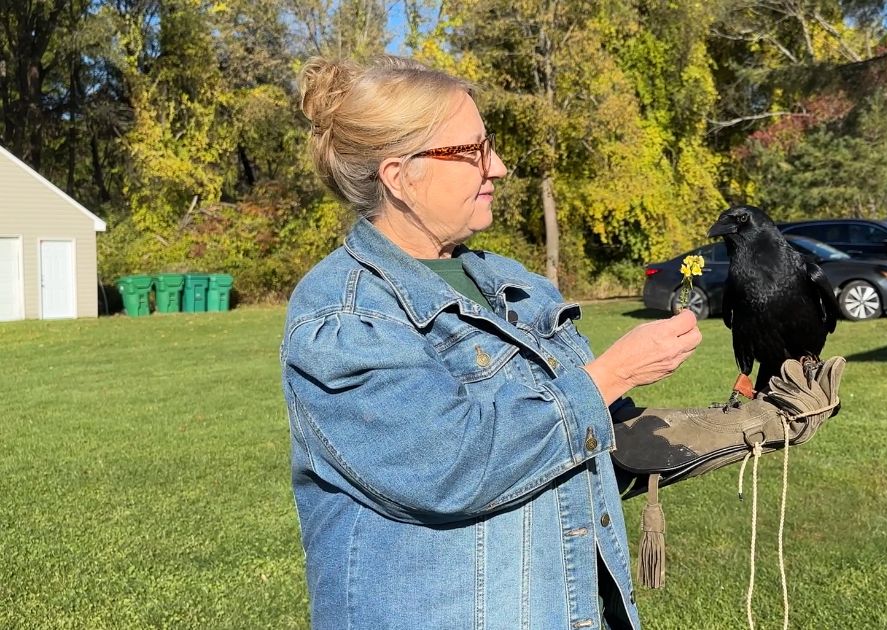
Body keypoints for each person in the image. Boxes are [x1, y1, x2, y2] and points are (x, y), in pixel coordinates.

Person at [280, 54, 702, 630]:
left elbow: (578, 439)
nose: (497, 168)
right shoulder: (345, 316)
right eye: (472, 151)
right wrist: (611, 375)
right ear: (400, 176)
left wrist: (743, 426)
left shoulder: (512, 283)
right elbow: (451, 464)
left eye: (490, 145)